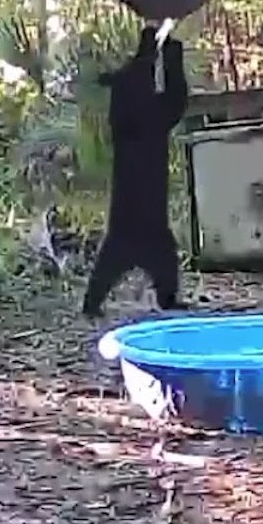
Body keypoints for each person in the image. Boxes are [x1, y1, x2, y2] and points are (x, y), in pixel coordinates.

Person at [82, 20, 189, 317]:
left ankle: (92, 304)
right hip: (148, 215)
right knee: (160, 250)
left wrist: (158, 51)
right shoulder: (151, 119)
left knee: (119, 255)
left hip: (128, 217)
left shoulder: (124, 119)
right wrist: (171, 56)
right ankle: (165, 298)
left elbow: (144, 79)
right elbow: (176, 98)